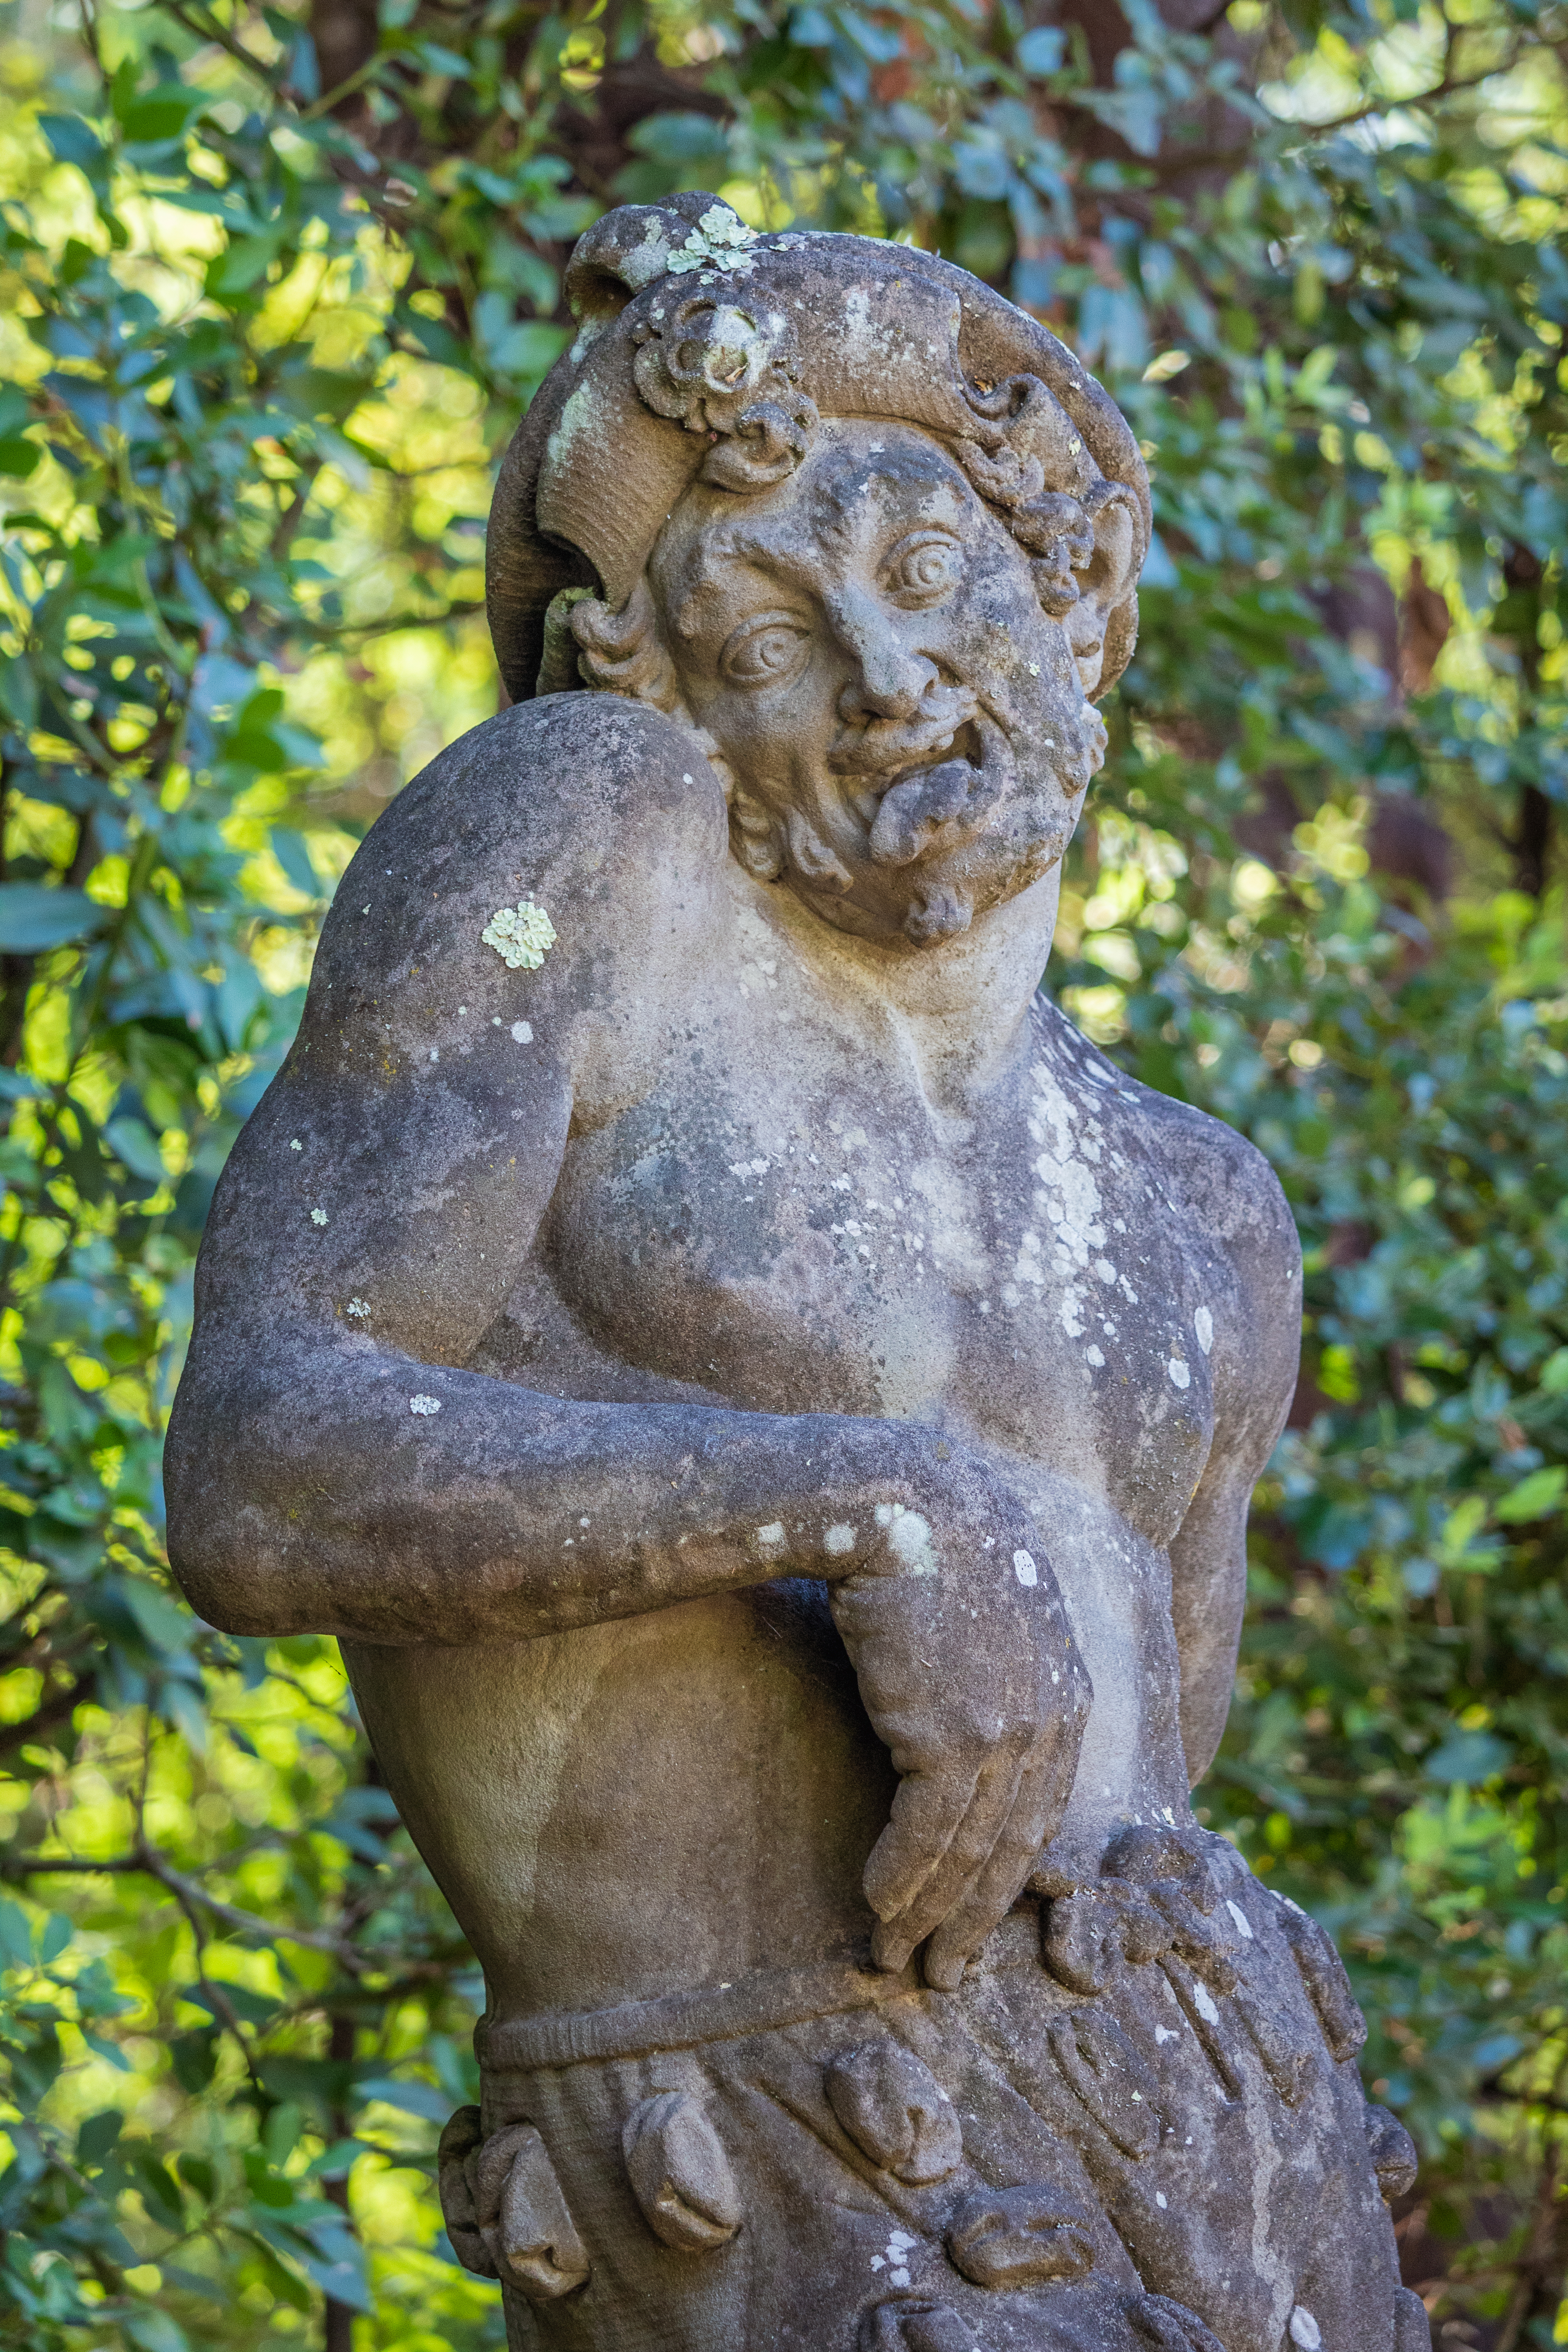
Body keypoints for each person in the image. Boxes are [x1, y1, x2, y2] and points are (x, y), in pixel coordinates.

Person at [166, 198, 1426, 2352]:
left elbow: (1125, 1791)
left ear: (1064, 581)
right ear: (674, 712)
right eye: (762, 643)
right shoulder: (592, 852)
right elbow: (261, 1462)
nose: (885, 668)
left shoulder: (1193, 1210)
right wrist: (867, 1505)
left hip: (1248, 2139)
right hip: (772, 2155)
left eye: (931, 571)